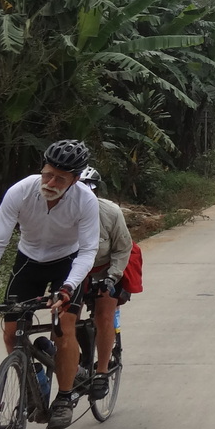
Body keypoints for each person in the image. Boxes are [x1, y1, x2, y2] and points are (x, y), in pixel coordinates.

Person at [0, 140, 99, 429]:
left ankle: (65, 397)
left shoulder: (85, 200)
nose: (50, 182)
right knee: (11, 332)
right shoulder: (21, 191)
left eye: (60, 178)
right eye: (47, 174)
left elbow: (87, 251)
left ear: (74, 180)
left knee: (64, 328)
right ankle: (34, 381)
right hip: (28, 260)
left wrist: (68, 288)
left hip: (67, 262)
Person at [78, 166, 131, 399]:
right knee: (63, 319)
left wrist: (112, 277)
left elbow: (123, 248)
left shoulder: (110, 212)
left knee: (104, 315)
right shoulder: (59, 212)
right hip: (75, 272)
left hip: (105, 269)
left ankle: (101, 371)